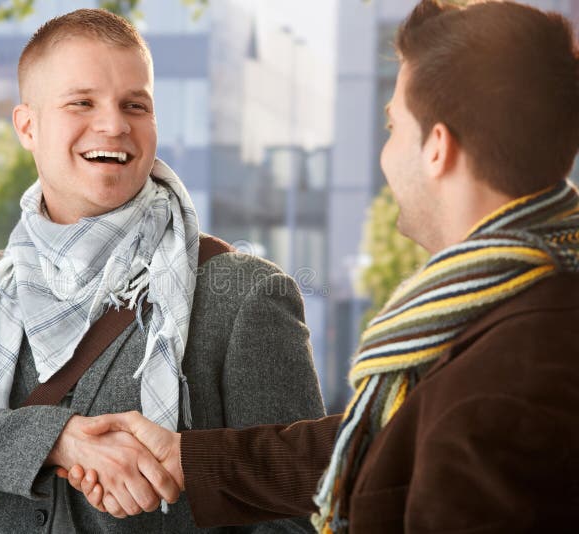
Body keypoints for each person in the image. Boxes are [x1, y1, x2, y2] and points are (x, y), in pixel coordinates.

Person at [62, 1, 579, 532]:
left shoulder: (509, 377)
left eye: (393, 125)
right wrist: (186, 458)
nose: (385, 152)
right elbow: (383, 442)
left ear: (437, 149)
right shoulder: (520, 311)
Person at [0, 8, 324, 534]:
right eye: (82, 102)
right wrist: (57, 438)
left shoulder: (244, 294)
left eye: (135, 105)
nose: (114, 124)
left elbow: (293, 510)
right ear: (28, 126)